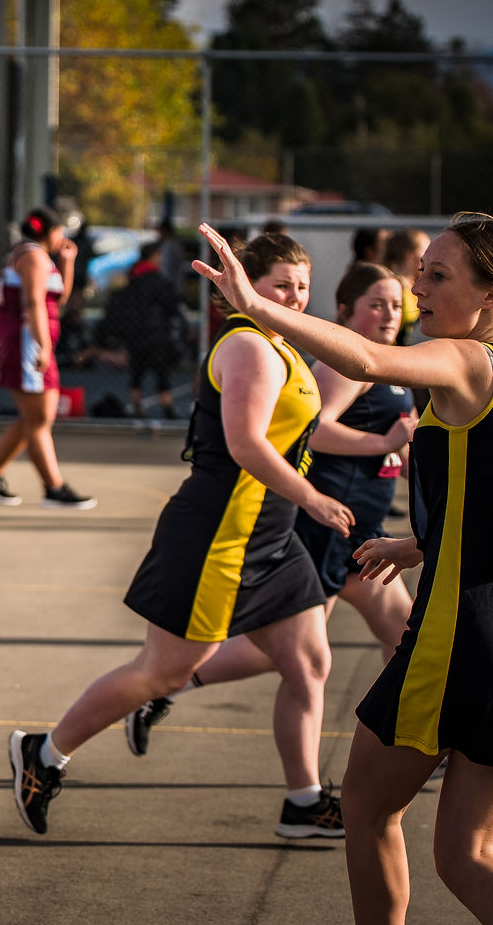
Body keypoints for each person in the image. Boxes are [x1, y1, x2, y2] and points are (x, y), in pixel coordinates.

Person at [194, 213, 493, 925]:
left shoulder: (470, 360)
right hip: (485, 627)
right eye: (422, 268)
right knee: (464, 854)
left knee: (363, 805)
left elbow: (365, 360)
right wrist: (421, 543)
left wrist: (257, 305)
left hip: (457, 639)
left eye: (439, 275)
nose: (420, 285)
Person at [9, 232, 350, 839]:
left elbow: (306, 426)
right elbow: (246, 444)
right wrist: (312, 496)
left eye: (301, 287)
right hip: (220, 532)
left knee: (308, 660)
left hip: (270, 536)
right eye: (281, 286)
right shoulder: (248, 347)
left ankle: (304, 800)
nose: (295, 299)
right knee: (163, 671)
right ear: (243, 287)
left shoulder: (285, 345)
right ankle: (44, 753)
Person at [125, 262, 417, 752]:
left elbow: (391, 448)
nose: (389, 314)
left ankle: (162, 689)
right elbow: (315, 431)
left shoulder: (389, 364)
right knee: (315, 652)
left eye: (395, 305)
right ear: (345, 310)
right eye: (375, 304)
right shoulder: (349, 364)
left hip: (358, 524)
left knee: (317, 650)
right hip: (331, 525)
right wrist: (378, 444)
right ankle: (404, 745)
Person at [0, 205, 96, 509]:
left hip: (32, 342)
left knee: (35, 416)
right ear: (49, 231)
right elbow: (33, 303)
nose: (62, 237)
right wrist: (42, 346)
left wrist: (67, 263)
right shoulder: (31, 256)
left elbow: (59, 298)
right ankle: (54, 488)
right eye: (59, 231)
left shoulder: (40, 257)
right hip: (26, 343)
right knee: (39, 418)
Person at [105, 241, 188, 420]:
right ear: (154, 257)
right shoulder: (159, 281)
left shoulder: (132, 279)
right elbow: (171, 306)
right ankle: (167, 406)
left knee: (137, 372)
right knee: (161, 373)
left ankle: (137, 407)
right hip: (156, 333)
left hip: (135, 334)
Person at [383, 228, 429, 345]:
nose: (430, 256)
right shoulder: (392, 287)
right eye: (426, 251)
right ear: (411, 256)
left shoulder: (414, 285)